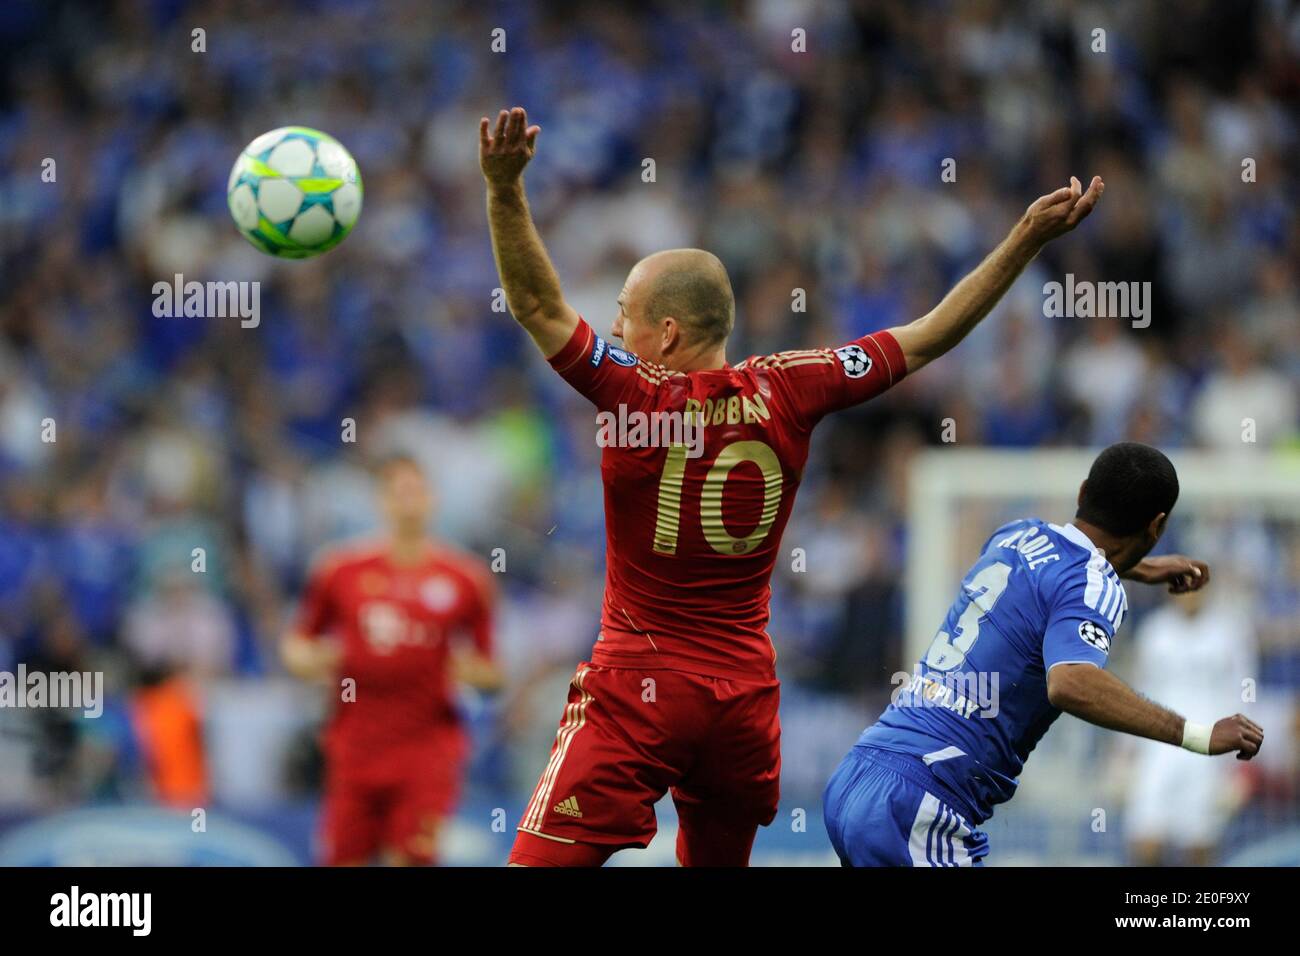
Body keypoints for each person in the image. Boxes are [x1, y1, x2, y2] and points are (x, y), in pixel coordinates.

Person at [480, 105, 1104, 866]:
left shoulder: (634, 393)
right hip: (742, 702)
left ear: (667, 334)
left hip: (640, 688)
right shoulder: (793, 387)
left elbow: (537, 305)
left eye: (624, 315)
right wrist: (1025, 240)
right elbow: (934, 331)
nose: (614, 329)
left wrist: (504, 188)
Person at [822, 442, 1263, 866]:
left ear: (1083, 493)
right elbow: (1071, 681)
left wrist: (1143, 568)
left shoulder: (1015, 533)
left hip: (864, 769)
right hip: (921, 802)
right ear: (1157, 526)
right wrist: (1197, 735)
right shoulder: (1096, 587)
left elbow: (1053, 572)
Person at [281, 455, 500, 866]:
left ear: (433, 500)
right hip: (355, 747)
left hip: (427, 752)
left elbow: (491, 671)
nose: (408, 503)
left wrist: (469, 671)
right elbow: (297, 645)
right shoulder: (340, 570)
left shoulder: (465, 579)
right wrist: (316, 660)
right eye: (398, 493)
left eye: (416, 492)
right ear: (380, 501)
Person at [1123, 586, 1258, 865]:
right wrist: (1125, 750)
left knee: (1200, 844)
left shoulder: (1229, 632)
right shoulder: (1154, 632)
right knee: (1145, 838)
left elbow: (1244, 694)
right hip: (1158, 747)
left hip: (1209, 749)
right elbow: (1137, 691)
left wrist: (1242, 759)